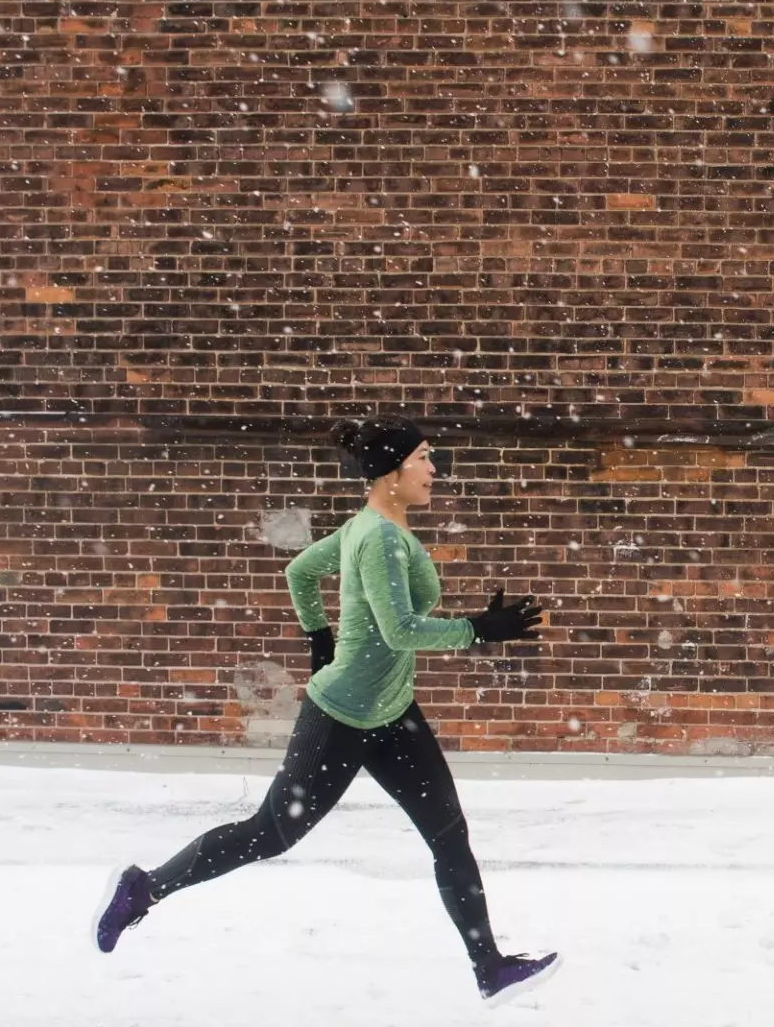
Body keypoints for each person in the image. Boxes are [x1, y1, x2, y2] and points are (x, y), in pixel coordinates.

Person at [92, 415, 560, 1006]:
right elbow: (399, 629)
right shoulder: (380, 537)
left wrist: (319, 637)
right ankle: (143, 888)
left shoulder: (369, 526)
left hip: (391, 713)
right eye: (424, 458)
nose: (434, 470)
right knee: (270, 833)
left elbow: (300, 571)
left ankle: (489, 968)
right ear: (391, 472)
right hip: (339, 717)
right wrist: (477, 628)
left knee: (449, 834)